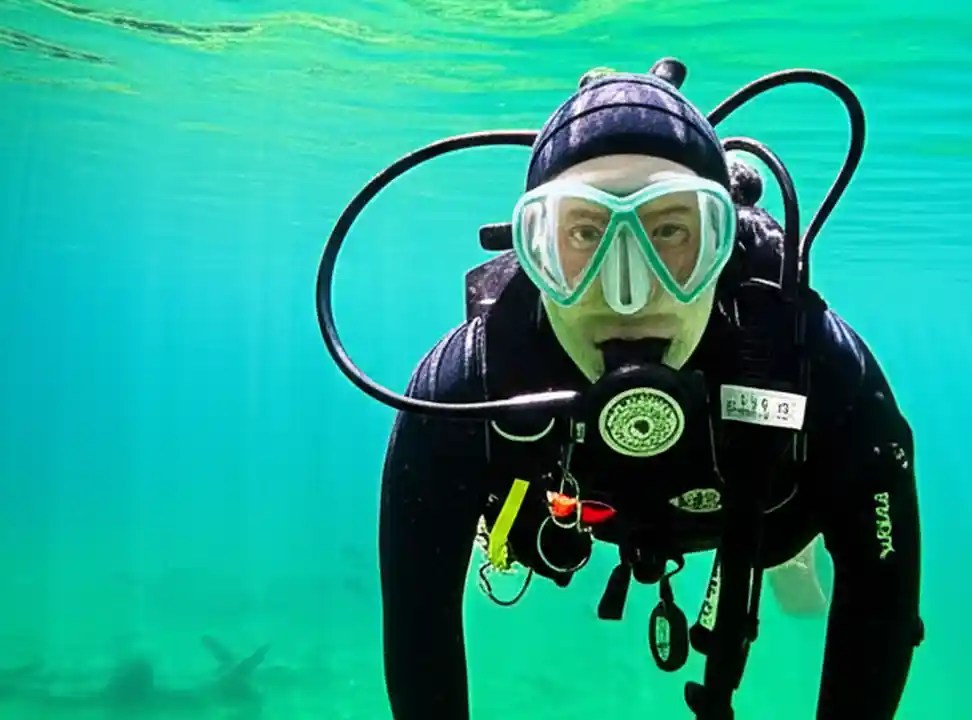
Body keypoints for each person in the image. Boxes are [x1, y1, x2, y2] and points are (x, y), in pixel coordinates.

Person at [316, 58, 924, 720]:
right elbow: (417, 625)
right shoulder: (467, 388)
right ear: (534, 254)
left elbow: (881, 609)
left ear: (722, 246)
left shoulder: (819, 373)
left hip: (759, 501)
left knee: (777, 525)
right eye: (583, 234)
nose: (628, 294)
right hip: (575, 511)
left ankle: (788, 561)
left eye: (670, 232)